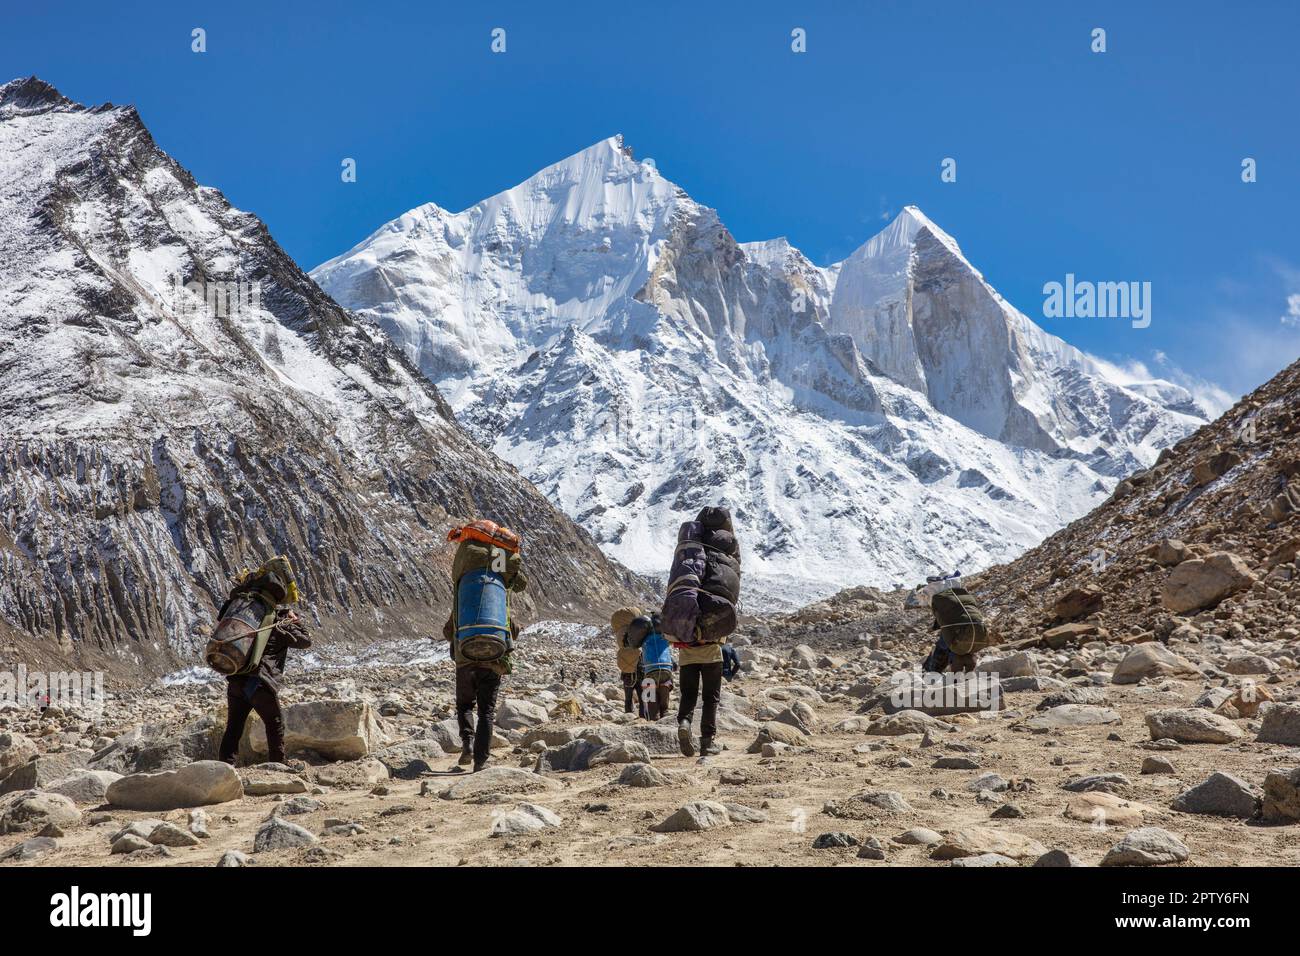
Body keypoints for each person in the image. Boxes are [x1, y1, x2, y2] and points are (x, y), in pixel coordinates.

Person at [443, 520, 527, 772]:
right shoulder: (499, 579)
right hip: (494, 655)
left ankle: (467, 744)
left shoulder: (463, 583)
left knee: (465, 704)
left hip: (465, 655)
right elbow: (519, 584)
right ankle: (481, 761)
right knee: (487, 711)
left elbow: (448, 630)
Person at [660, 506, 742, 758]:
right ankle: (707, 741)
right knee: (710, 698)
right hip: (712, 650)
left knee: (688, 695)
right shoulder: (723, 555)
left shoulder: (690, 559)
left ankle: (684, 723)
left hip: (687, 650)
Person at [218, 556, 311, 766]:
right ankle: (278, 765)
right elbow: (305, 641)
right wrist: (295, 621)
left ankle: (225, 767)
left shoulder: (250, 618)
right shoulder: (277, 623)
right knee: (274, 723)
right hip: (259, 682)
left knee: (234, 727)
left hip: (236, 680)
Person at [914, 572, 988, 673]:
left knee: (944, 644)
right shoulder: (962, 594)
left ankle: (930, 671)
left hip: (959, 635)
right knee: (960, 644)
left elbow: (942, 622)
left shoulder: (940, 599)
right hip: (981, 633)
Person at [625, 611, 674, 719]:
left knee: (652, 703)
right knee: (664, 693)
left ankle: (654, 718)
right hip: (666, 668)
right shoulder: (664, 637)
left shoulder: (643, 640)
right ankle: (665, 715)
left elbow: (630, 645)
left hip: (649, 671)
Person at [611, 606, 644, 715]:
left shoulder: (620, 634)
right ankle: (643, 715)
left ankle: (628, 715)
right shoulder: (637, 633)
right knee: (641, 695)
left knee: (628, 697)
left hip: (627, 671)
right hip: (639, 669)